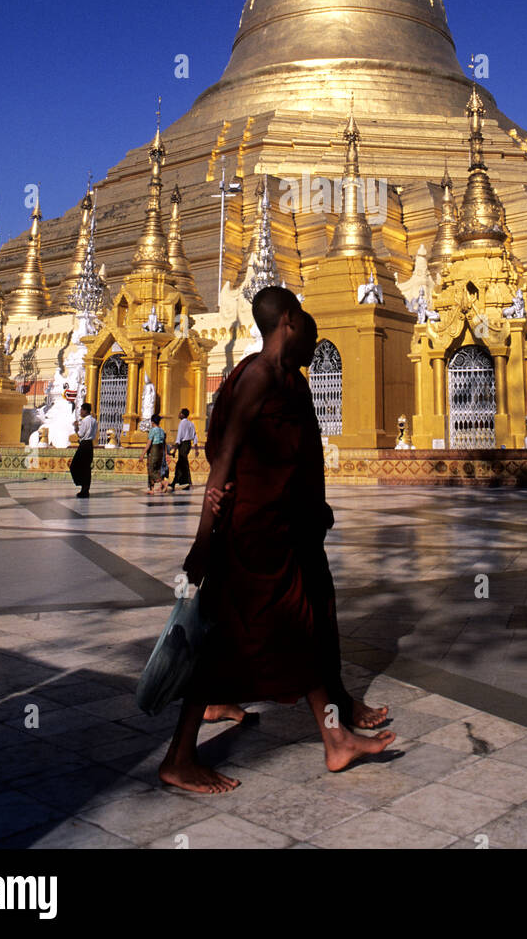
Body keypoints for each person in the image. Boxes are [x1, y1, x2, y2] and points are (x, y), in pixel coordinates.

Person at [158, 287, 394, 795]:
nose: (315, 335)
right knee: (221, 643)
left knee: (302, 631)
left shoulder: (292, 382)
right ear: (288, 321)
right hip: (249, 536)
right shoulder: (257, 378)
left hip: (285, 533)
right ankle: (179, 757)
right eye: (308, 322)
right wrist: (201, 544)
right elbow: (222, 464)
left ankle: (336, 738)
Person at [70, 402, 97, 498]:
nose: (80, 412)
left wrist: (76, 427)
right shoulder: (94, 421)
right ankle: (85, 489)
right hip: (90, 445)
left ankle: (82, 485)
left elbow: (81, 434)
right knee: (86, 467)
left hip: (84, 445)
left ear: (85, 411)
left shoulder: (85, 421)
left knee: (74, 466)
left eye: (81, 410)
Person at [168, 408, 197, 490]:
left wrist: (174, 449)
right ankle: (179, 482)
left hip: (183, 445)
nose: (178, 414)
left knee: (183, 463)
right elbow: (195, 436)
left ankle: (188, 482)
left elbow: (179, 438)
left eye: (180, 413)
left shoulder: (182, 423)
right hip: (188, 444)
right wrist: (196, 449)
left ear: (183, 415)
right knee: (181, 463)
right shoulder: (191, 423)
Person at [144, 412, 168, 492]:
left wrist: (143, 453)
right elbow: (164, 443)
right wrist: (166, 454)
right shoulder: (162, 431)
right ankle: (152, 489)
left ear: (152, 422)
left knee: (151, 469)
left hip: (154, 450)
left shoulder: (153, 430)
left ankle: (163, 482)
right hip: (161, 452)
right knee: (157, 469)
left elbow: (149, 443)